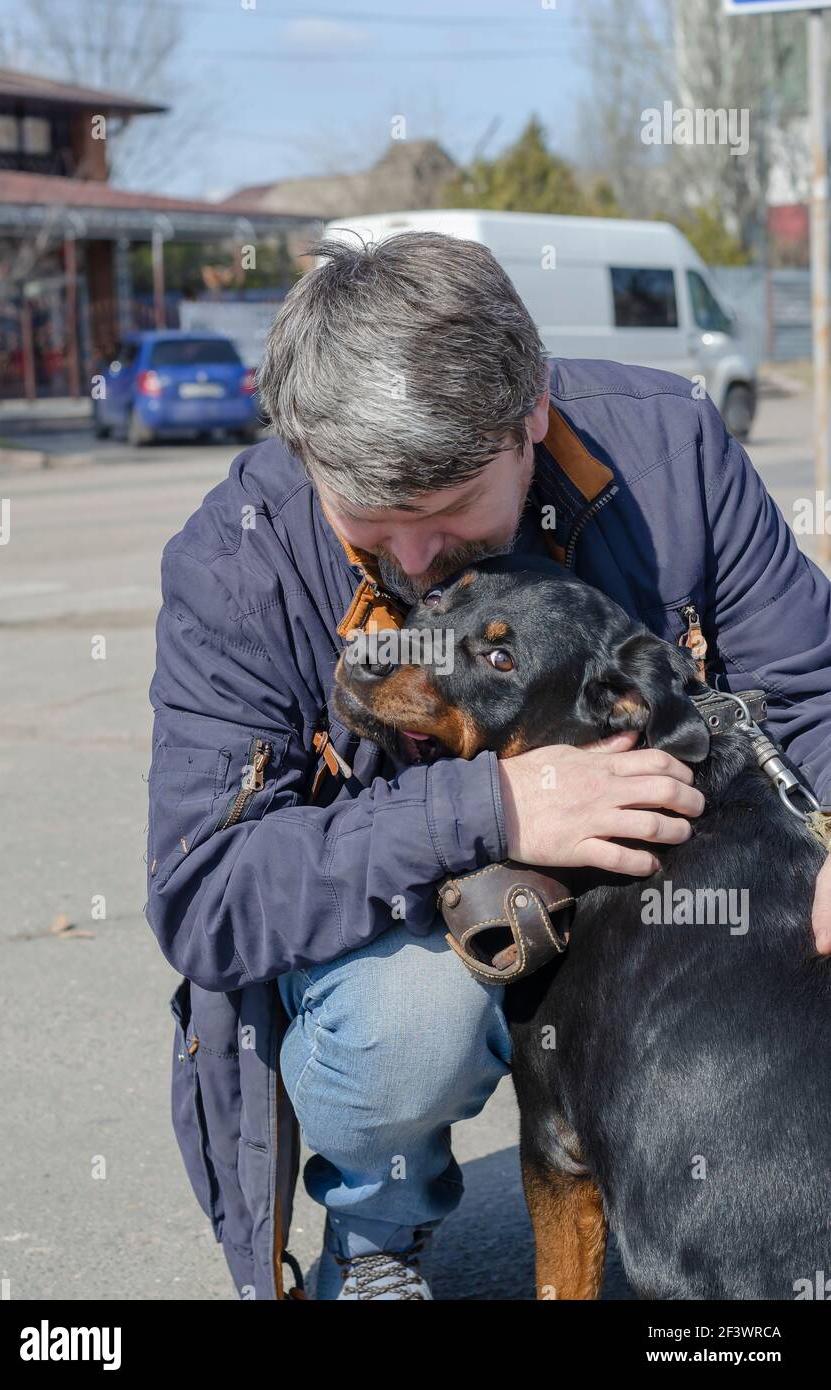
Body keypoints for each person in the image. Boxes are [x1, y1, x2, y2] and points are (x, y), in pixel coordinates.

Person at [146, 232, 831, 1300]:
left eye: (450, 513)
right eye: (371, 523)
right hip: (398, 936)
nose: (416, 567)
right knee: (415, 1018)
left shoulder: (674, 450)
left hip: (659, 927)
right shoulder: (234, 562)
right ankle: (377, 1231)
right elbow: (204, 895)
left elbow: (812, 686)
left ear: (531, 421)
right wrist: (489, 806)